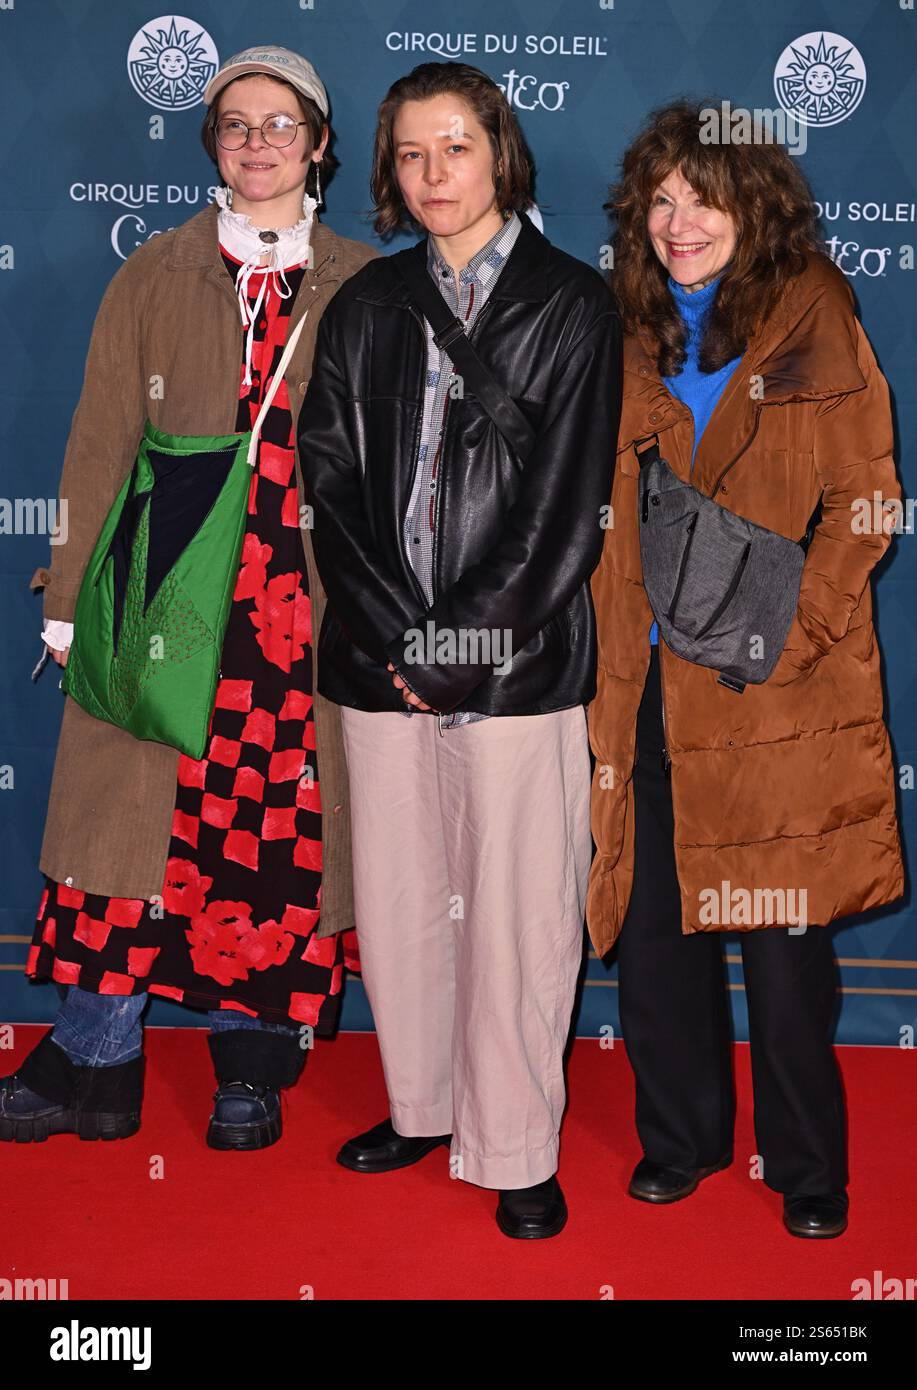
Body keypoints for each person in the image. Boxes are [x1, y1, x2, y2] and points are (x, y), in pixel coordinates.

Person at [2, 46, 377, 1150]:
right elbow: (96, 440)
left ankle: (249, 1066)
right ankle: (100, 1058)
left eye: (279, 125)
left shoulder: (360, 284)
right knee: (125, 830)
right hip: (159, 586)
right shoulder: (154, 272)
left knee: (267, 836)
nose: (256, 144)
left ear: (317, 144)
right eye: (233, 125)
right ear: (211, 143)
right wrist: (67, 594)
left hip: (294, 609)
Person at [297, 61, 621, 1238]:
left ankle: (514, 1143)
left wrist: (458, 647)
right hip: (381, 668)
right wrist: (397, 638)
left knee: (517, 914)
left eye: (457, 149)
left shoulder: (571, 305)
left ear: (501, 154)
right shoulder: (366, 304)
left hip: (516, 669)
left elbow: (560, 517)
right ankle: (424, 1106)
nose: (434, 176)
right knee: (398, 904)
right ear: (387, 169)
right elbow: (326, 486)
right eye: (411, 154)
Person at [586, 99, 905, 1238]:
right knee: (660, 941)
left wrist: (790, 630)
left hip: (776, 698)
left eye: (702, 198)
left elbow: (865, 499)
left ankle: (806, 1164)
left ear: (750, 205)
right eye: (660, 202)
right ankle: (679, 1140)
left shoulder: (812, 309)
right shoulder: (620, 326)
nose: (679, 222)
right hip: (654, 696)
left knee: (782, 955)